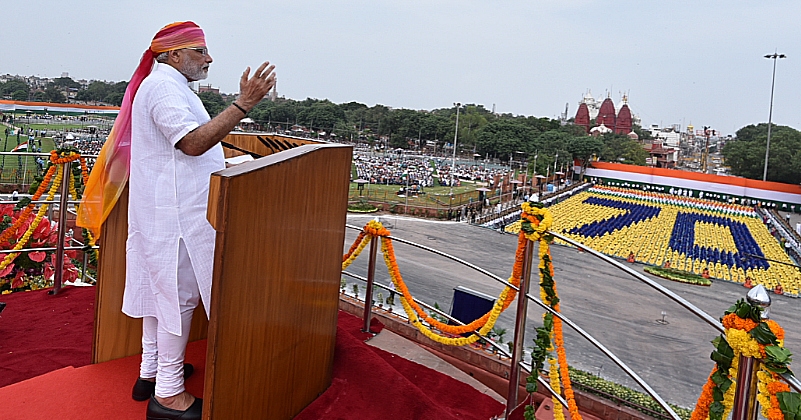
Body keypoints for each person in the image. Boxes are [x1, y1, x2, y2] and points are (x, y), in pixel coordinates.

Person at [81, 21, 275, 420]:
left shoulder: (167, 85)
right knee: (177, 299)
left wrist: (235, 160)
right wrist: (244, 104)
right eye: (200, 51)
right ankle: (169, 395)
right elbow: (191, 143)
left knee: (161, 296)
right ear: (174, 55)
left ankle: (151, 373)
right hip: (175, 218)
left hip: (165, 213)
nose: (209, 59)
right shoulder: (165, 88)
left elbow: (192, 147)